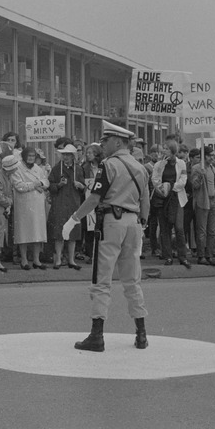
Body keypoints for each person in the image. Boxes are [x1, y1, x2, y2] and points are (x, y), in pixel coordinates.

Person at [63, 120, 151, 352]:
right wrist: (143, 224)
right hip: (134, 223)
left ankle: (97, 335)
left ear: (117, 142)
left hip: (112, 222)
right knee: (132, 280)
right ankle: (141, 333)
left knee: (101, 279)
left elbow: (94, 199)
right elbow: (145, 201)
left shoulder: (108, 165)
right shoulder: (140, 167)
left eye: (105, 140)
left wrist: (73, 219)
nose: (102, 143)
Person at [151, 139, 192, 268]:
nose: (164, 150)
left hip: (176, 197)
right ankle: (168, 255)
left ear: (173, 150)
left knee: (179, 228)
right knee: (164, 228)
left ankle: (182, 256)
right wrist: (163, 188)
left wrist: (172, 187)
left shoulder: (181, 164)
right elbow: (155, 179)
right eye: (163, 148)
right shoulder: (159, 164)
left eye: (166, 148)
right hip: (163, 198)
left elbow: (183, 180)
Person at [48, 144, 87, 269]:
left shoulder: (79, 169)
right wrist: (59, 185)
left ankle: (71, 259)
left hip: (73, 204)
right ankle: (58, 258)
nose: (65, 157)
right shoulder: (56, 169)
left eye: (68, 155)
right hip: (59, 204)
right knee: (59, 232)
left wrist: (81, 186)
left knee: (73, 232)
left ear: (73, 156)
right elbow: (50, 186)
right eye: (63, 154)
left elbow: (85, 188)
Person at [10, 146, 50, 270]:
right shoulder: (17, 169)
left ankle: (36, 260)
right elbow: (19, 186)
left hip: (38, 204)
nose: (31, 158)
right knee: (24, 233)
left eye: (33, 156)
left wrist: (41, 184)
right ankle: (24, 260)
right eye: (29, 156)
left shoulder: (38, 169)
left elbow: (46, 182)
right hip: (24, 205)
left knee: (37, 232)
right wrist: (35, 184)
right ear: (24, 156)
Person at [191, 145, 215, 266]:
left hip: (213, 200)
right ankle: (201, 255)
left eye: (212, 155)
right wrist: (200, 176)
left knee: (212, 230)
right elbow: (194, 185)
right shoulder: (197, 168)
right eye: (209, 156)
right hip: (203, 201)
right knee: (202, 230)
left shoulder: (213, 167)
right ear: (204, 156)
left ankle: (209, 254)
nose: (211, 158)